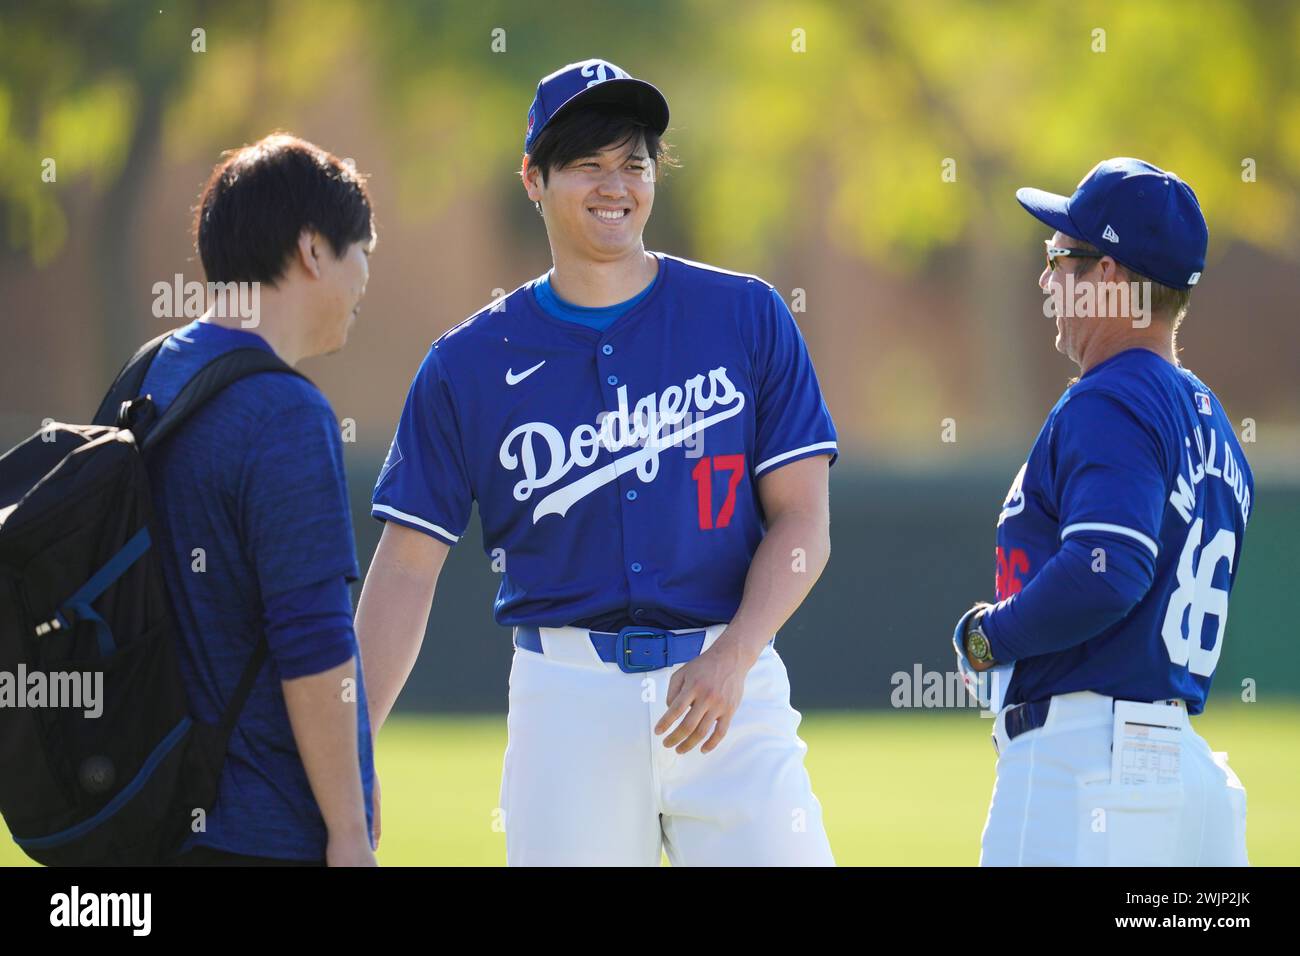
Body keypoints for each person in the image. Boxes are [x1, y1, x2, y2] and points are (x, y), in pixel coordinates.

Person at [356, 59, 838, 866]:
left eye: (634, 163)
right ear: (533, 178)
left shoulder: (746, 315)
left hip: (730, 686)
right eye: (588, 164)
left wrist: (735, 654)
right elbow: (405, 568)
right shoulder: (467, 362)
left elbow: (803, 520)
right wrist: (352, 749)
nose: (615, 185)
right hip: (565, 701)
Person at [953, 157, 1252, 866]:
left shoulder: (1112, 397)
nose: (1045, 279)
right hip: (1186, 780)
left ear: (1112, 278)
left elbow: (1109, 570)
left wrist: (987, 638)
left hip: (1088, 772)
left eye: (1061, 258)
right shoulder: (1214, 425)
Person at [145, 133, 377, 866]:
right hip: (259, 834)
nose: (366, 277)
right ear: (313, 250)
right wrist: (348, 829)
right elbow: (311, 638)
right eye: (361, 249)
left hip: (142, 819)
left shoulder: (148, 376)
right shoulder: (285, 412)